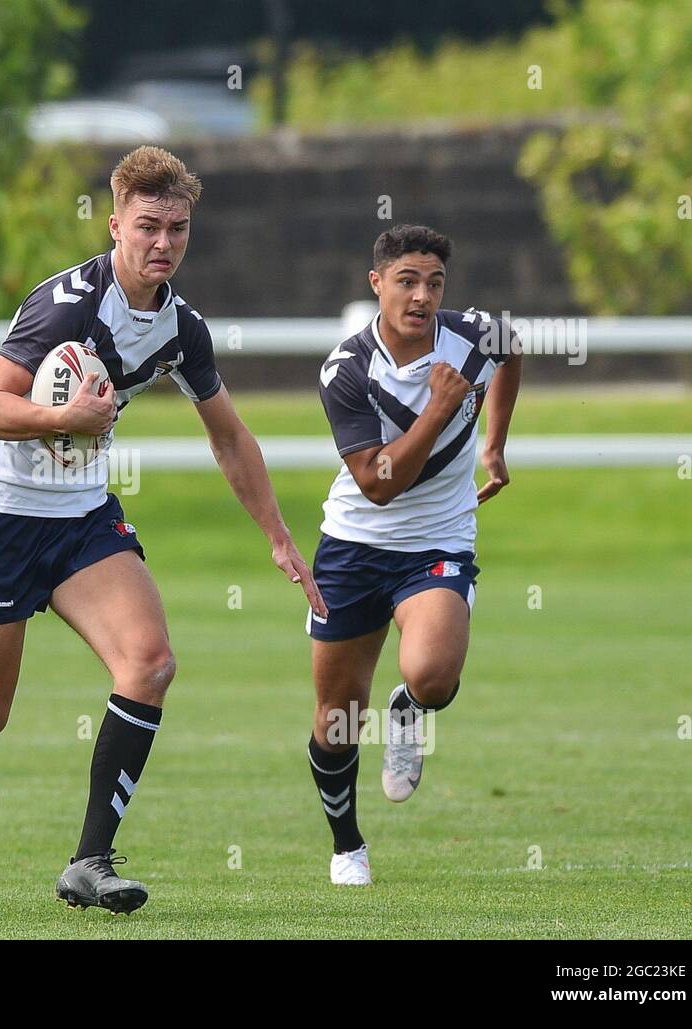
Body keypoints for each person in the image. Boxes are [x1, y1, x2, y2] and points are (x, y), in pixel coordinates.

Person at [0, 146, 327, 913]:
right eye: (149, 227)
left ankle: (90, 859)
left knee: (150, 662)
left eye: (179, 229)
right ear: (116, 223)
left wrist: (277, 534)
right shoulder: (68, 304)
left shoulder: (179, 328)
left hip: (82, 519)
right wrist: (63, 417)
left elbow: (229, 436)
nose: (164, 244)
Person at [307, 224, 522, 885]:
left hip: (438, 542)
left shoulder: (473, 334)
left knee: (430, 674)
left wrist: (493, 442)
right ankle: (347, 846)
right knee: (338, 716)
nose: (422, 295)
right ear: (377, 284)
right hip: (353, 546)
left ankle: (411, 709)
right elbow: (376, 484)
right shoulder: (346, 370)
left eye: (434, 282)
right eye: (406, 280)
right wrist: (437, 409)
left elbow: (512, 350)